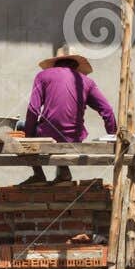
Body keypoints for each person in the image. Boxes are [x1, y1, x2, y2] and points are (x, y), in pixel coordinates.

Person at [20, 42, 117, 184]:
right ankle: (63, 171)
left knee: (21, 127)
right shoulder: (87, 82)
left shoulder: (43, 76)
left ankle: (39, 174)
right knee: (56, 131)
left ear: (56, 63)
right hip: (74, 138)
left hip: (47, 135)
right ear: (76, 65)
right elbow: (107, 110)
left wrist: (28, 138)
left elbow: (33, 110)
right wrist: (112, 137)